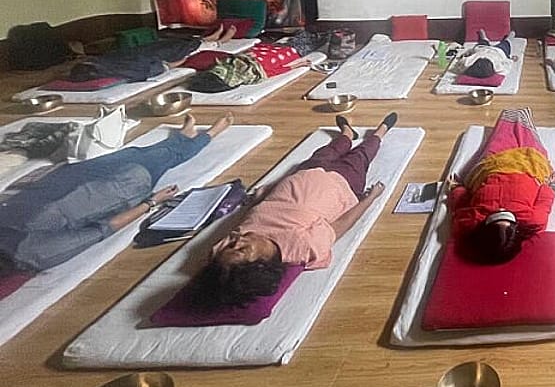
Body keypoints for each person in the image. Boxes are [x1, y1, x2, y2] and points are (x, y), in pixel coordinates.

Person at [196, 112, 398, 306]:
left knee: (329, 150)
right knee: (361, 155)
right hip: (341, 183)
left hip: (304, 172)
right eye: (242, 249)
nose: (238, 240)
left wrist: (264, 195)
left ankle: (347, 132)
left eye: (231, 245)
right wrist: (371, 198)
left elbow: (215, 259)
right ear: (262, 262)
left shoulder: (234, 242)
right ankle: (381, 131)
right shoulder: (299, 246)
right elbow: (340, 226)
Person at [0, 113, 234, 273]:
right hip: (114, 189)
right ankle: (210, 134)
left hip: (75, 176)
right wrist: (151, 202)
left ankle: (184, 137)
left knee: (136, 151)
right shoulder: (34, 253)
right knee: (161, 159)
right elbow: (103, 229)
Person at [447, 108, 555, 264]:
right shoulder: (533, 220)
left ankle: (511, 116)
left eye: (495, 216)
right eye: (506, 215)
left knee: (503, 134)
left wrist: (456, 187)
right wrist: (553, 185)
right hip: (529, 166)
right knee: (524, 131)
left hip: (492, 165)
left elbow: (461, 203)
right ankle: (521, 116)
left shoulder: (468, 221)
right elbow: (545, 201)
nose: (500, 210)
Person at [452, 30, 518, 80]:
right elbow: (506, 64)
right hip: (497, 51)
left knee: (483, 42)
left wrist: (464, 55)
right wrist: (511, 59)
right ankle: (510, 36)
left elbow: (461, 61)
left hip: (483, 49)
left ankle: (484, 37)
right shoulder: (497, 66)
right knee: (505, 43)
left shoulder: (469, 62)